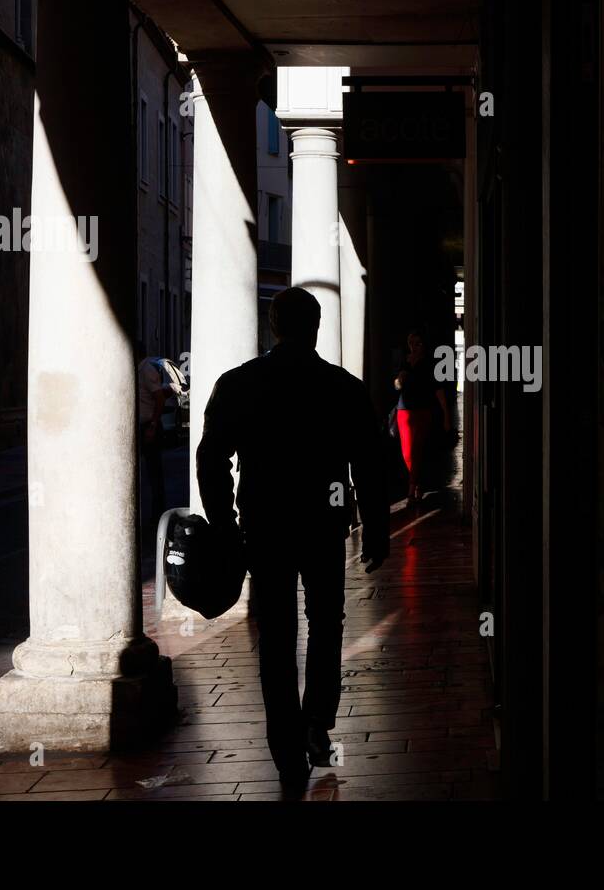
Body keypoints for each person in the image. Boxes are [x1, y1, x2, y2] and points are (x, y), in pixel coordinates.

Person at [196, 287, 390, 794]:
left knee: (276, 633)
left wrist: (223, 526)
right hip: (323, 524)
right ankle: (318, 720)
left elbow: (210, 458)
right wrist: (375, 527)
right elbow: (368, 463)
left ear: (273, 326)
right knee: (327, 619)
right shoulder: (342, 387)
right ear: (317, 326)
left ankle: (286, 746)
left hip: (265, 525)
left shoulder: (238, 385)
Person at [392, 330, 451, 507]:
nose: (414, 347)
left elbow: (438, 390)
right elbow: (396, 385)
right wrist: (398, 381)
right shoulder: (404, 361)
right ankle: (417, 483)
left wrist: (446, 414)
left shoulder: (430, 364)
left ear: (424, 345)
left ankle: (411, 490)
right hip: (404, 410)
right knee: (407, 453)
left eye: (418, 343)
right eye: (411, 343)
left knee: (418, 448)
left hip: (423, 410)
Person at [136, 344, 168, 533]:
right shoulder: (140, 369)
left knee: (154, 471)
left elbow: (159, 398)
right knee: (149, 470)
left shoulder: (146, 370)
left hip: (149, 426)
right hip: (143, 426)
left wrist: (153, 425)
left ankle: (158, 514)